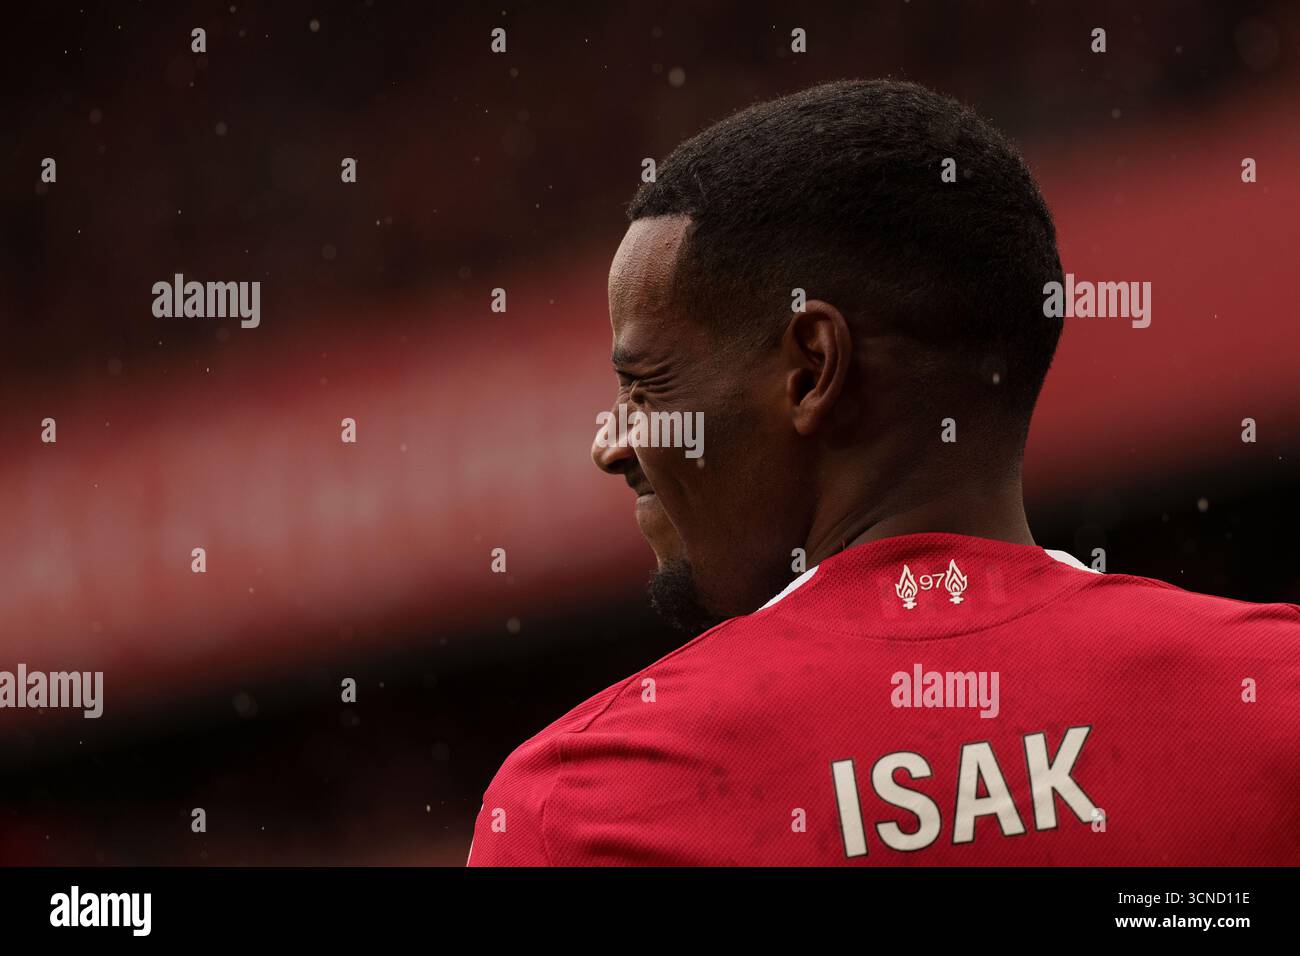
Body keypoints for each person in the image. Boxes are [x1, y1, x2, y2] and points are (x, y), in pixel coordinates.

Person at [468, 79, 1299, 865]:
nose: (612, 446)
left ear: (810, 369)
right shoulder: (1276, 702)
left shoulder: (579, 807)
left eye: (646, 386)